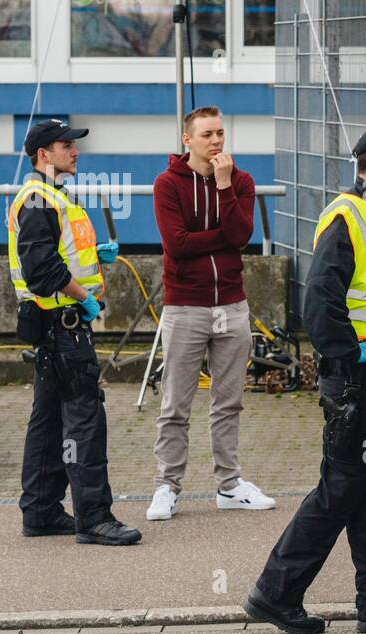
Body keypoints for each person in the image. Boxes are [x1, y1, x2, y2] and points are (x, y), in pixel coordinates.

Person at [244, 125, 366, 634]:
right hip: (357, 383)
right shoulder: (348, 218)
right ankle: (276, 592)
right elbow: (319, 303)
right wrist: (356, 353)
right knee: (341, 490)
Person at [10, 119, 140, 546]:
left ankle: (42, 511)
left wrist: (93, 255)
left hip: (54, 332)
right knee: (84, 420)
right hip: (65, 329)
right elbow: (42, 269)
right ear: (43, 154)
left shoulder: (53, 198)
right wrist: (83, 295)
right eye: (67, 145)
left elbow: (58, 253)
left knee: (48, 422)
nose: (75, 151)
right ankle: (95, 517)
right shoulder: (39, 200)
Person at [146, 106, 274, 520]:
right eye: (207, 135)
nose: (217, 141)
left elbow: (241, 237)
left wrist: (223, 188)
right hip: (185, 305)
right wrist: (221, 238)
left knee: (228, 401)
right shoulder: (168, 184)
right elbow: (177, 244)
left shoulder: (240, 181)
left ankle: (230, 484)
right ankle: (166, 485)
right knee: (175, 403)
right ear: (188, 140)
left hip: (233, 304)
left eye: (220, 133)